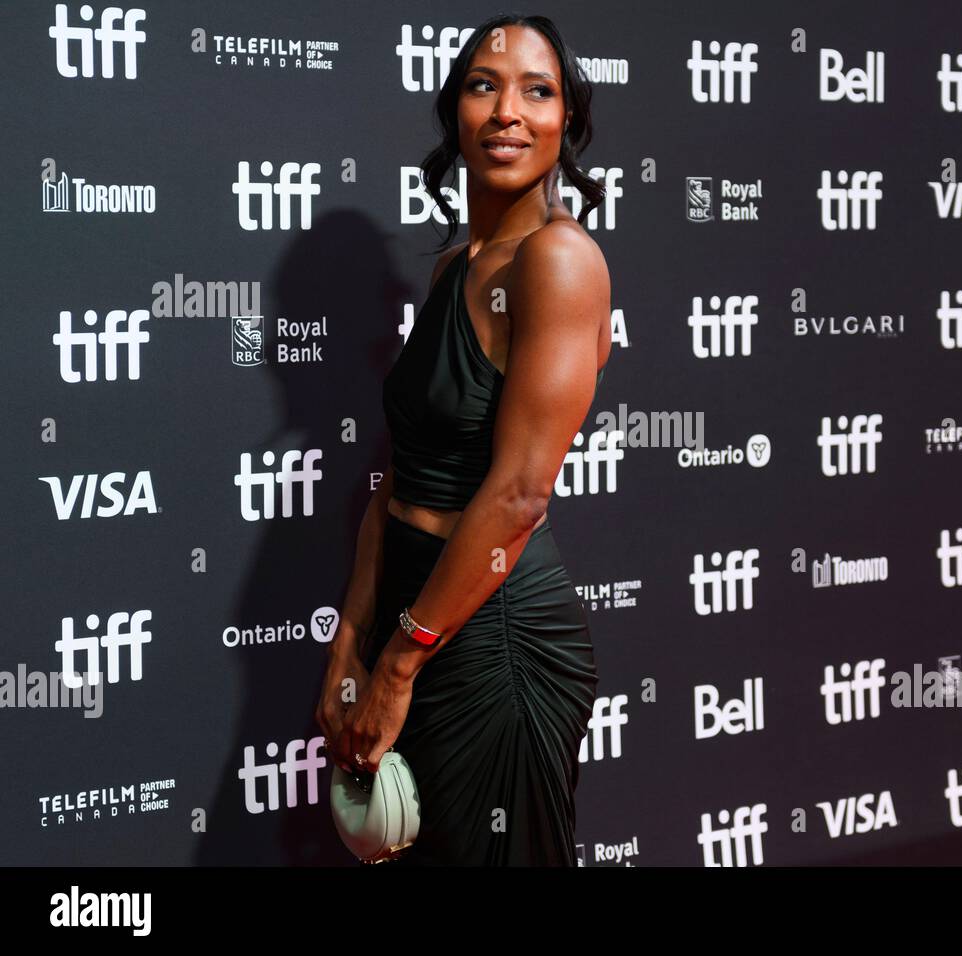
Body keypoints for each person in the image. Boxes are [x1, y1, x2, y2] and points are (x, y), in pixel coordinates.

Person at [314, 14, 610, 866]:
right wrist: (349, 642)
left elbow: (518, 495)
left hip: (491, 642)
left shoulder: (558, 261)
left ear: (568, 122)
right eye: (484, 85)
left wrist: (398, 667)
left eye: (538, 90)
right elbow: (396, 481)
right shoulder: (455, 266)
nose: (508, 110)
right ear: (455, 113)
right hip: (414, 618)